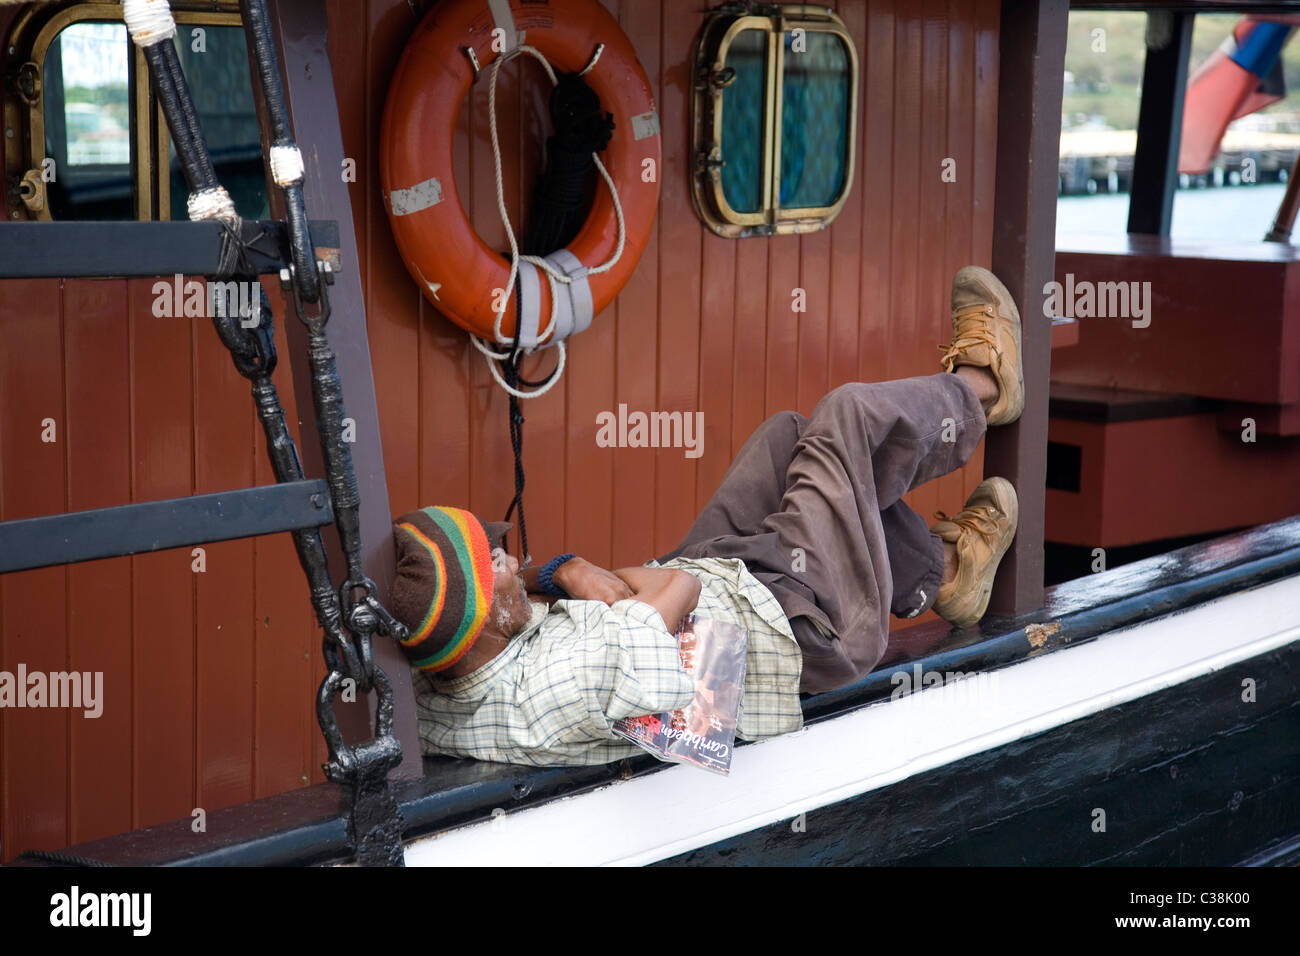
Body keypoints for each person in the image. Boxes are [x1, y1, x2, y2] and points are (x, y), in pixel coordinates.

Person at [391, 266, 1023, 766]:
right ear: (483, 619)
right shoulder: (561, 682)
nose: (511, 560)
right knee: (847, 418)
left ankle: (942, 574)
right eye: (492, 562)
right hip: (800, 635)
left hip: (726, 611)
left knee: (786, 439)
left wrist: (559, 583)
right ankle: (981, 389)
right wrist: (576, 571)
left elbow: (647, 600)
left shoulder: (453, 674)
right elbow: (678, 588)